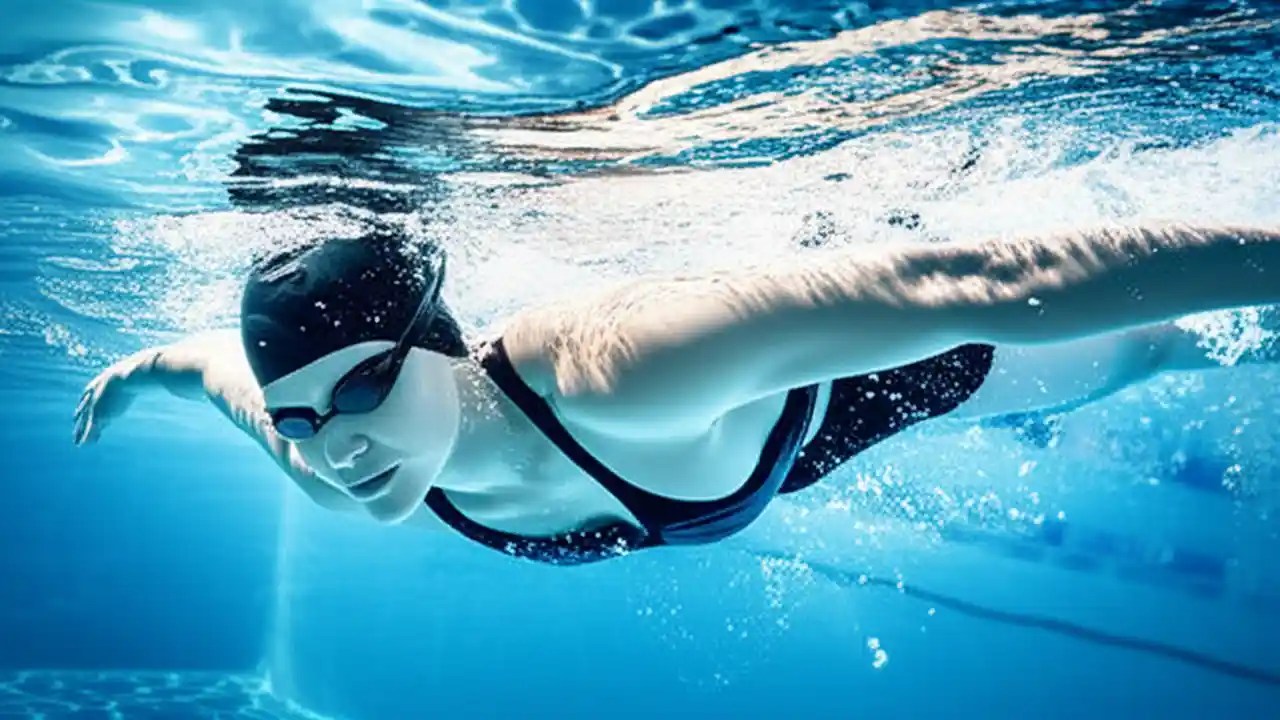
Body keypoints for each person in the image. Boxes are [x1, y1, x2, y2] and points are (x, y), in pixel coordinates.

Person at [73, 219, 1280, 565]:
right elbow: (205, 366)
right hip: (740, 459)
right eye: (302, 421)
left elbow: (968, 276)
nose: (331, 449)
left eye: (360, 393)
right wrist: (132, 375)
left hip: (878, 381)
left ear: (436, 341)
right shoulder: (342, 462)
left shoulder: (614, 370)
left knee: (1154, 352)